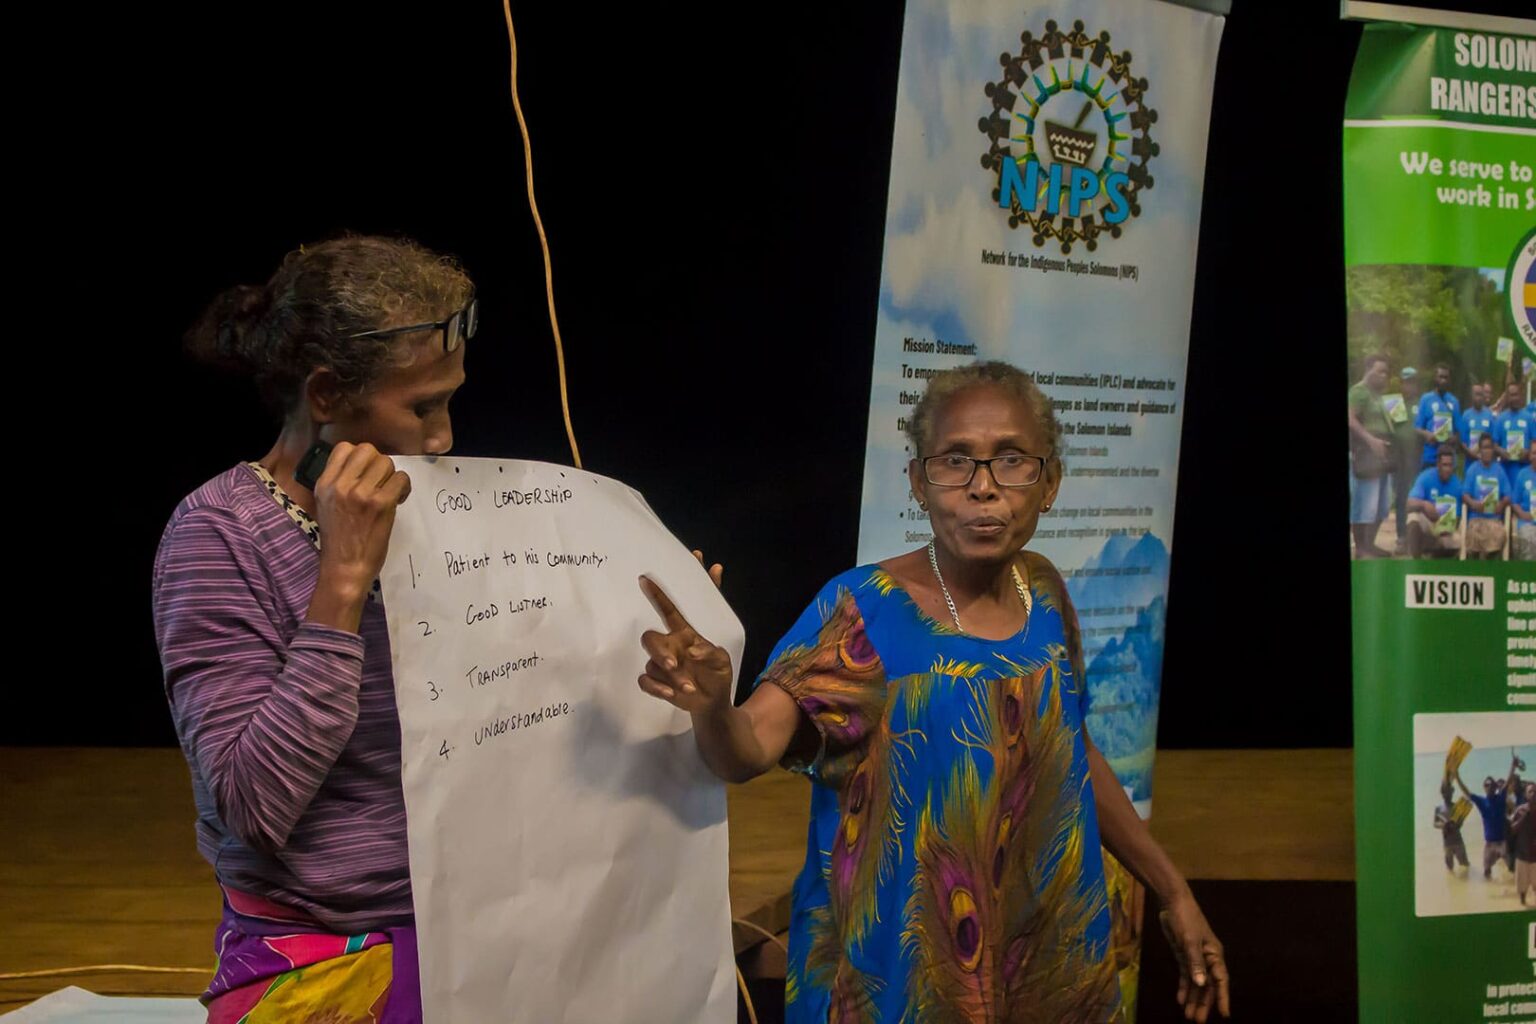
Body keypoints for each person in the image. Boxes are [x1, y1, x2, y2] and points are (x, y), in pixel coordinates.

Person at [636, 362, 1229, 1023]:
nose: (984, 489)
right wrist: (714, 707)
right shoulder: (863, 610)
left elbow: (1071, 754)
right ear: (919, 481)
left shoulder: (1047, 595)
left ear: (1050, 482)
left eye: (1011, 461)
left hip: (1046, 971)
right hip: (904, 985)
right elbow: (745, 750)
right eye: (956, 462)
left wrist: (1174, 892)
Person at [153, 235, 478, 1022]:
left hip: (478, 928)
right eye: (421, 408)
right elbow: (254, 805)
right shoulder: (217, 534)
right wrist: (340, 581)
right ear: (327, 394)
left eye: (450, 401)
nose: (444, 439)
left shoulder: (452, 518)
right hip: (325, 952)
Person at [1347, 354, 1394, 558]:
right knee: (1365, 503)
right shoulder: (1359, 391)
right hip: (1366, 454)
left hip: (1383, 457)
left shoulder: (1378, 395)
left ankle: (1370, 544)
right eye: (1379, 371)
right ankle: (1361, 548)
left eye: (1386, 372)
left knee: (1382, 505)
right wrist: (1371, 440)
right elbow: (1350, 419)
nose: (1384, 376)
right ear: (1368, 369)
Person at [1405, 445, 1463, 558]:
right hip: (1429, 523)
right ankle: (1414, 559)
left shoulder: (1457, 485)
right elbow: (1409, 503)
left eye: (1450, 465)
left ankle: (1437, 559)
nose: (1447, 469)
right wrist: (1424, 504)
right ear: (1438, 465)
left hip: (1446, 528)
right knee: (1413, 517)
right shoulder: (1426, 477)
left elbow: (1458, 517)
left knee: (1456, 541)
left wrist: (1447, 526)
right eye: (1444, 465)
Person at [1460, 434, 1510, 559]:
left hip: (1494, 519)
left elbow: (1508, 495)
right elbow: (1464, 495)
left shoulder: (1499, 470)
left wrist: (1502, 504)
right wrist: (1473, 503)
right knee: (1474, 535)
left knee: (1498, 535)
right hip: (1476, 518)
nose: (1487, 451)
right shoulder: (1473, 469)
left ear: (1493, 450)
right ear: (1480, 450)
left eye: (1489, 448)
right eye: (1484, 448)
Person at [1456, 769, 1511, 880]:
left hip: (1502, 842)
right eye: (1486, 785)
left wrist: (1513, 766)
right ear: (1484, 787)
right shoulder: (1481, 801)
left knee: (1511, 868)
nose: (1489, 786)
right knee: (1486, 871)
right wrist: (1457, 777)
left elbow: (1508, 782)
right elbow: (1466, 791)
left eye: (1491, 784)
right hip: (1489, 844)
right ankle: (1489, 891)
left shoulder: (1501, 798)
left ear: (1495, 787)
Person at [1413, 363, 1461, 467]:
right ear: (1435, 378)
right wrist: (1427, 435)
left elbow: (1458, 431)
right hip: (1430, 456)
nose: (1443, 380)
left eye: (1446, 378)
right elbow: (1417, 428)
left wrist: (1453, 438)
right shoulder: (1426, 399)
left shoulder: (1454, 401)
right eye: (1440, 377)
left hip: (1448, 458)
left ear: (1449, 380)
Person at [1495, 381, 1534, 481]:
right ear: (1507, 398)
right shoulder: (1501, 419)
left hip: (1525, 471)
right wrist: (1500, 451)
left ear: (1520, 396)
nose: (1514, 398)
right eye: (1511, 395)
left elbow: (1534, 442)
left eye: (1516, 395)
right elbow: (1493, 444)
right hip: (1505, 471)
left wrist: (1528, 452)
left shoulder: (1529, 418)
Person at [1509, 781, 1536, 907]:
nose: (1534, 794)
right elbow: (1512, 830)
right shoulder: (1520, 810)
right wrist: (1524, 817)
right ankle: (1523, 907)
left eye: (1535, 791)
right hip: (1522, 856)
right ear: (1526, 795)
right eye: (1531, 791)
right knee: (1522, 890)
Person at [1512, 445, 1536, 560]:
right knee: (1529, 538)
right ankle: (1528, 576)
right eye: (1534, 453)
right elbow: (1515, 502)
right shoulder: (1522, 474)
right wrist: (1522, 514)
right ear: (1530, 456)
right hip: (1527, 521)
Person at [1459, 381, 1496, 455]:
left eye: (1481, 395)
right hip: (1470, 462)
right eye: (1476, 394)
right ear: (1471, 395)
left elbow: (1494, 440)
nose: (1478, 398)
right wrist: (1471, 453)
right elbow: (1462, 442)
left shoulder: (1489, 415)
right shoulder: (1466, 415)